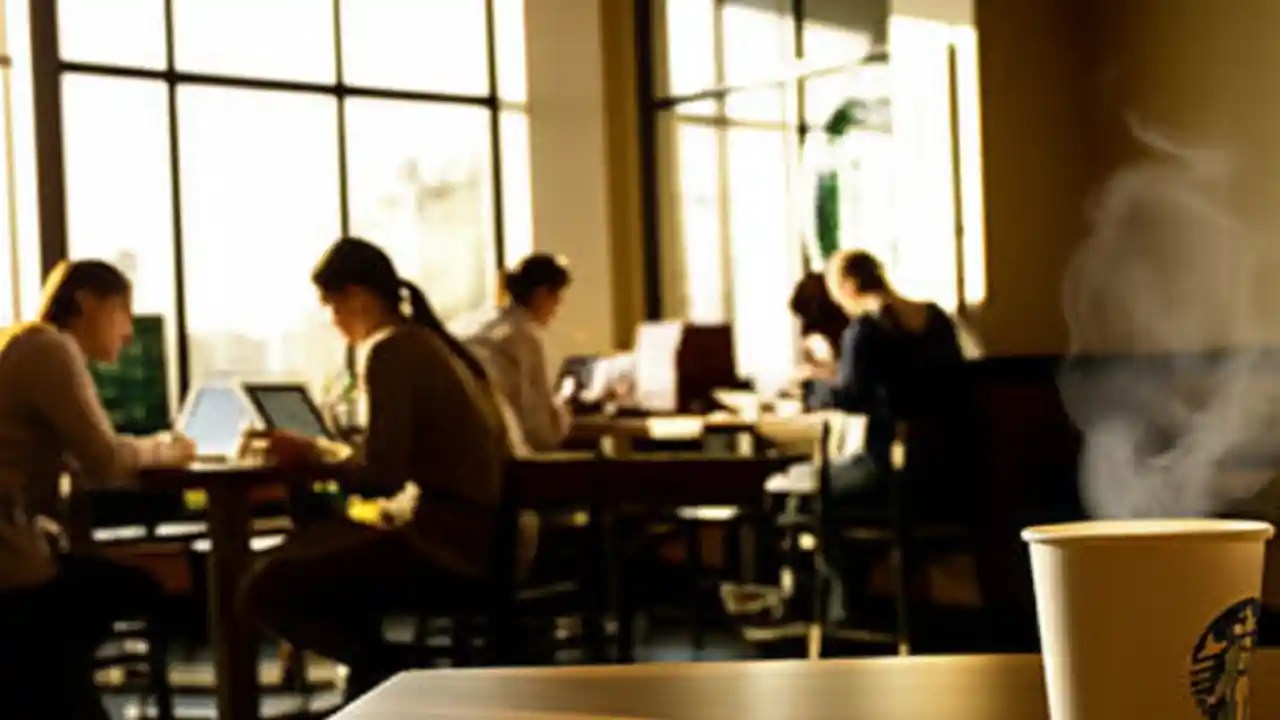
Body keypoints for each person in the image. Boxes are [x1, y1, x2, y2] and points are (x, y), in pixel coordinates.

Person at [241, 237, 515, 702]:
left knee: (264, 586)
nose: (333, 320)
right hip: (481, 536)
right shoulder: (428, 342)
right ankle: (377, 677)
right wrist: (324, 452)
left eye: (332, 305)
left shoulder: (389, 350)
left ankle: (386, 673)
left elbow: (381, 473)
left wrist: (310, 454)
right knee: (319, 554)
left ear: (358, 295)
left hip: (444, 544)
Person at [0, 260, 195, 719]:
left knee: (70, 630)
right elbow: (105, 461)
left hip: (16, 550)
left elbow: (86, 455)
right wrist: (167, 450)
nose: (128, 331)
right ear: (85, 303)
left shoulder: (21, 346)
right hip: (11, 564)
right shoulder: (51, 349)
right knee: (129, 590)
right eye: (123, 311)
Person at [809, 249, 967, 499]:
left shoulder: (865, 329)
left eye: (839, 299)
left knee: (804, 491)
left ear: (848, 287)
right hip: (954, 464)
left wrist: (814, 388)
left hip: (889, 469)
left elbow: (853, 397)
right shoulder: (936, 317)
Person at [467, 253, 574, 452]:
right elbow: (540, 431)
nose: (558, 306)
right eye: (557, 297)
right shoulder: (523, 337)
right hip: (506, 454)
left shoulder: (475, 326)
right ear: (542, 294)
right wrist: (563, 408)